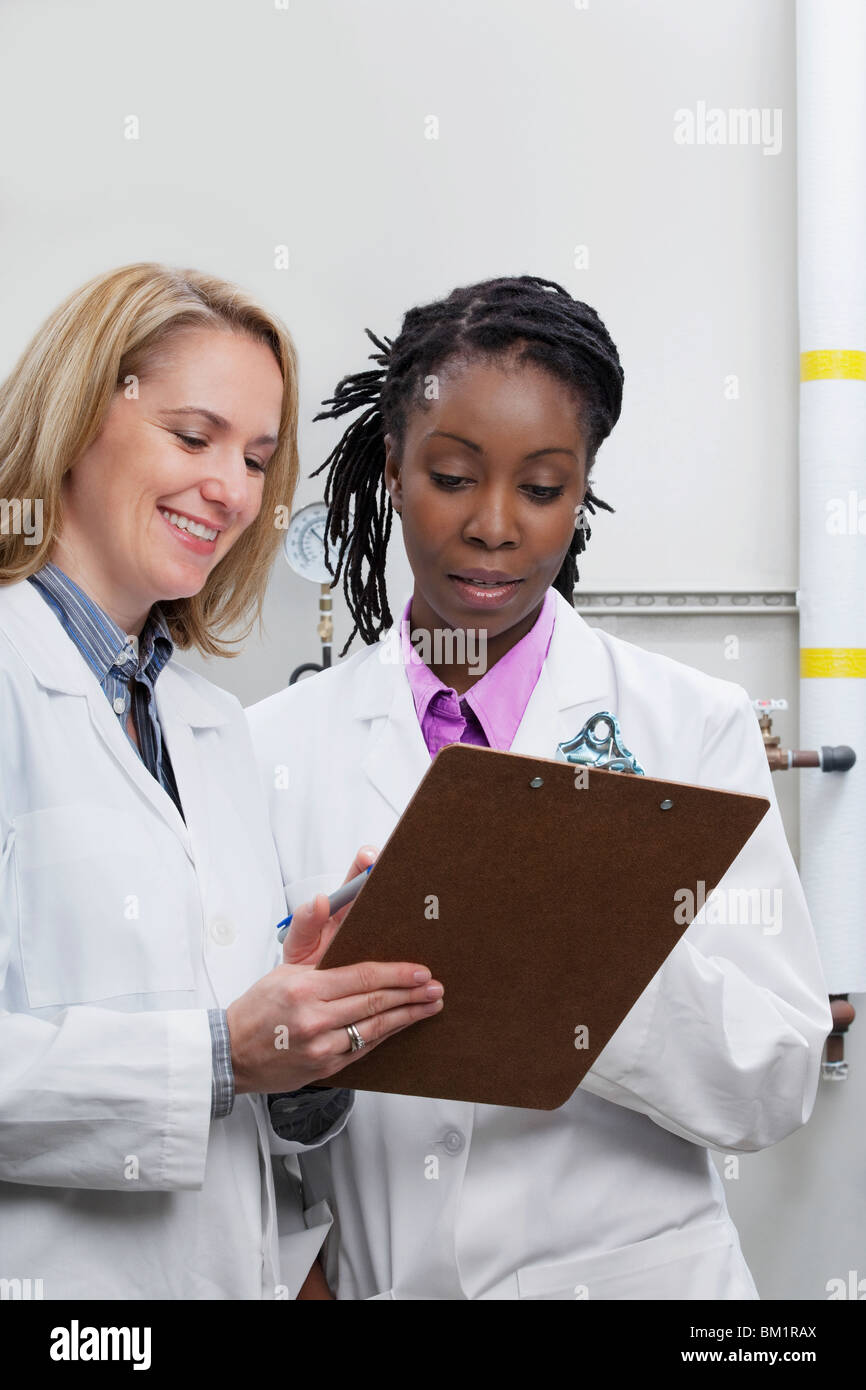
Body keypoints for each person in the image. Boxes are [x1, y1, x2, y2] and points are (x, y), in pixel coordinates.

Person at [248, 274, 832, 1301]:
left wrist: (566, 957)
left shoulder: (685, 726)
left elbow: (776, 1074)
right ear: (392, 468)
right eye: (452, 474)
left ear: (583, 488)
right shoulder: (270, 749)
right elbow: (248, 1100)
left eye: (541, 486)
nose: (492, 525)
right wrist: (307, 1068)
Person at [0, 263, 443, 1300]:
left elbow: (242, 1097)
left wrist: (307, 1041)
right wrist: (217, 1053)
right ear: (76, 419)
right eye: (192, 437)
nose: (233, 490)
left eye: (254, 457)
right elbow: (204, 1062)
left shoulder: (209, 726)